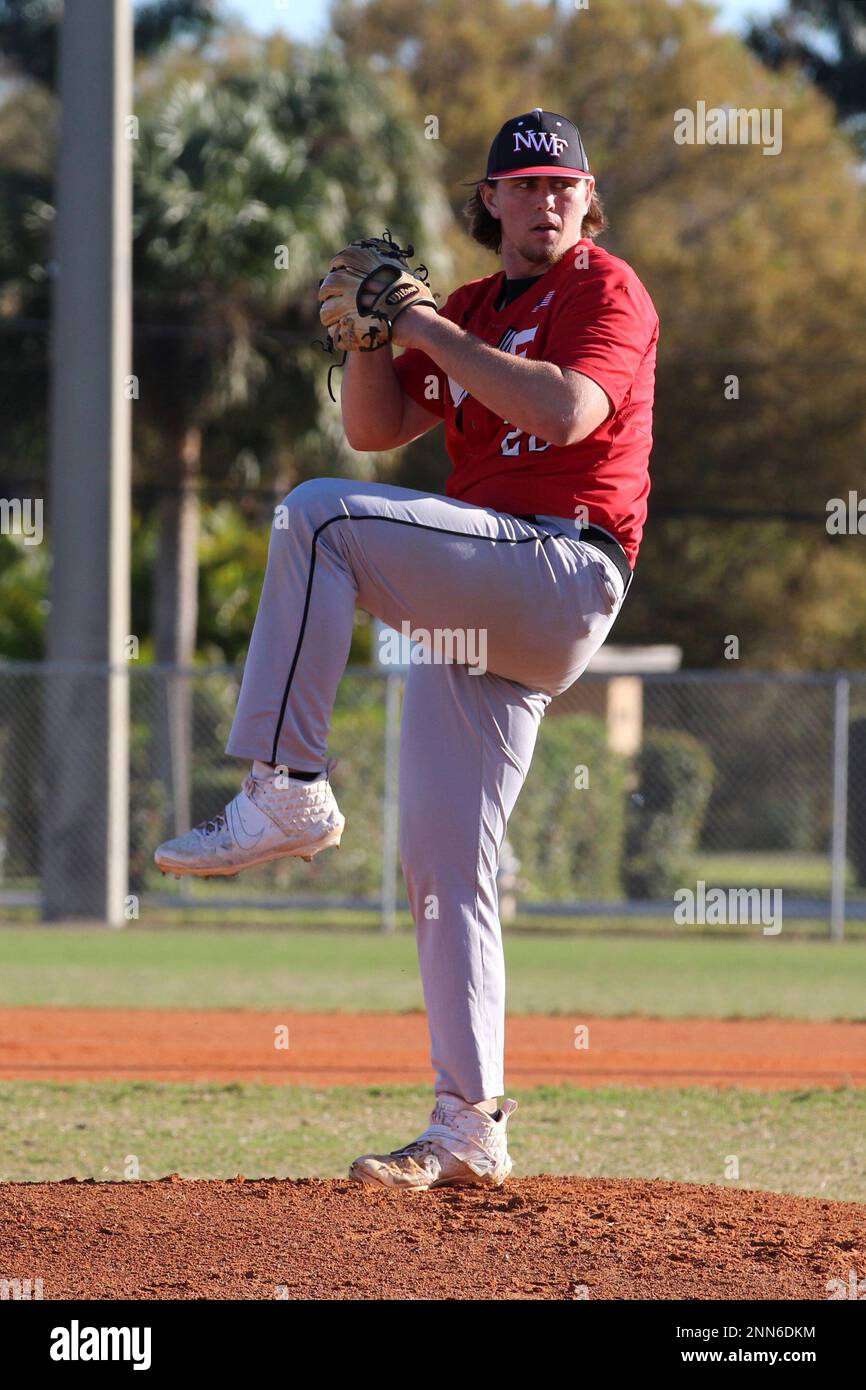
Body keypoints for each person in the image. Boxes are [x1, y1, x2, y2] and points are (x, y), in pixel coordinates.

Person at [155, 108, 659, 1192]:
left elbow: (568, 411)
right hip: (477, 594)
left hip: (562, 567)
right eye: (520, 184)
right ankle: (468, 1120)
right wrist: (366, 339)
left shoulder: (604, 292)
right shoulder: (474, 307)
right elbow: (377, 432)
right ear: (487, 201)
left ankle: (285, 785)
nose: (543, 200)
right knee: (444, 872)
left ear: (587, 197)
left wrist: (423, 325)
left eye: (561, 183)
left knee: (320, 519)